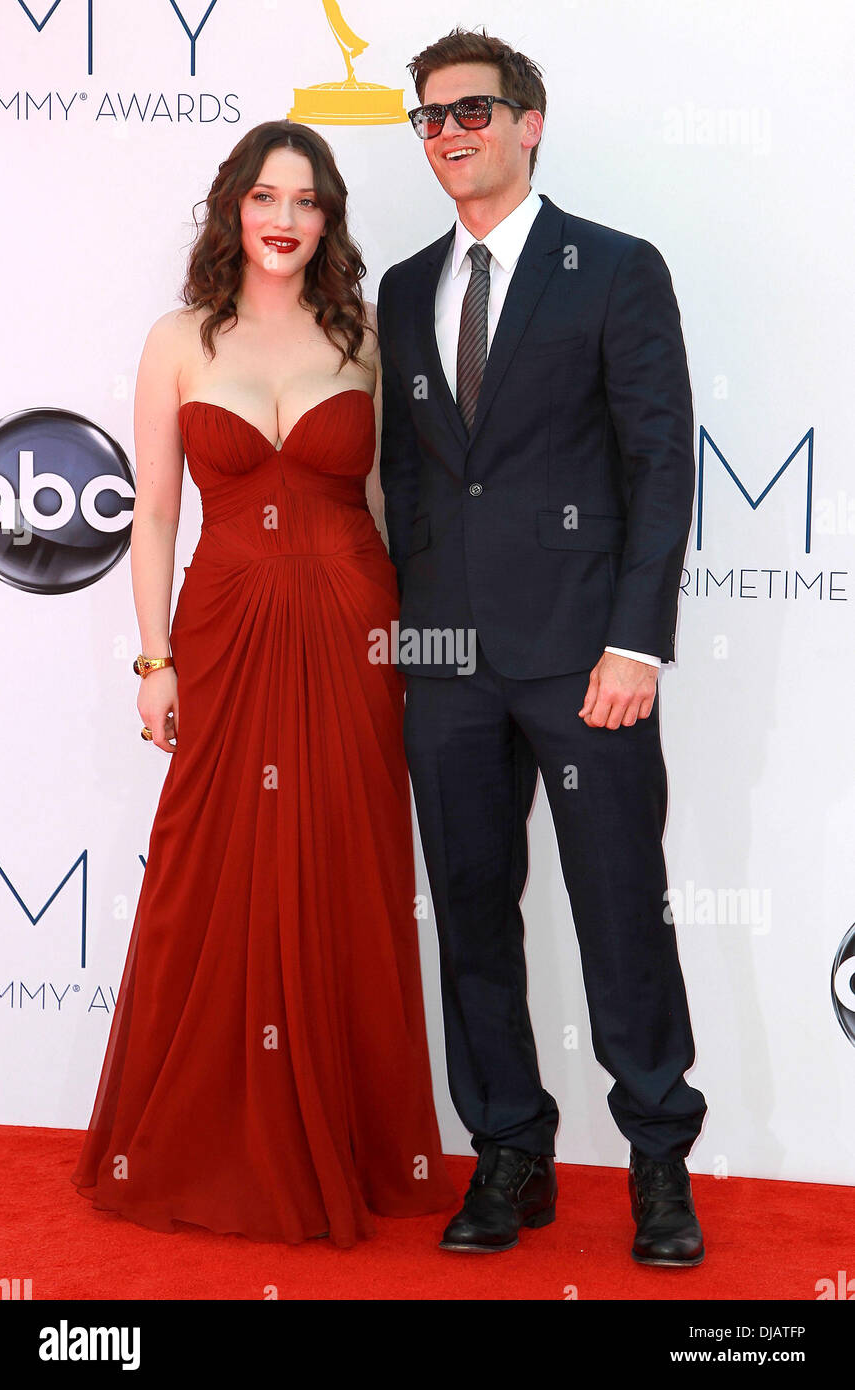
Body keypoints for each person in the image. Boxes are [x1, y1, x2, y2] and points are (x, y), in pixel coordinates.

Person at [70, 120, 457, 1248]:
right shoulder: (179, 339)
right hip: (227, 631)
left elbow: (392, 507)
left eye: (307, 200)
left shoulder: (368, 336)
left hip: (352, 631)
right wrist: (154, 659)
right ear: (232, 208)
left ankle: (355, 1137)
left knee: (348, 862)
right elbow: (153, 515)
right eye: (265, 196)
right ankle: (204, 1135)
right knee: (210, 866)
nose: (284, 218)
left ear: (328, 220)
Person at [377, 27, 707, 1262]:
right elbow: (411, 474)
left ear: (528, 122)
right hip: (447, 658)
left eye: (472, 108)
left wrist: (636, 641)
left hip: (586, 660)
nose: (448, 130)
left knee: (619, 906)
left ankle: (657, 1158)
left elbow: (658, 461)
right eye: (429, 117)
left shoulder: (614, 270)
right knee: (467, 909)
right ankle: (507, 1147)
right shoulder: (407, 288)